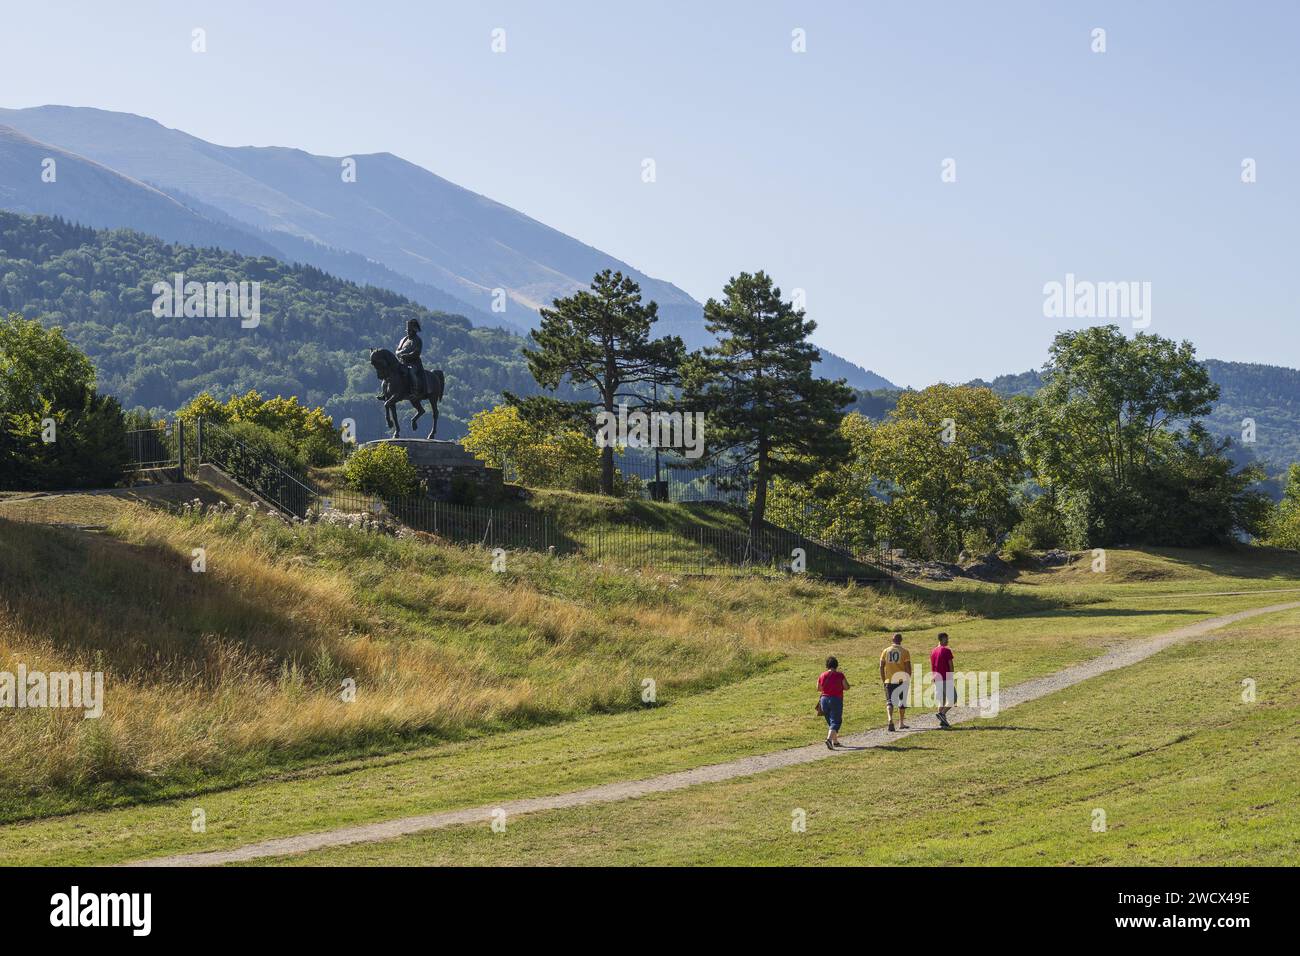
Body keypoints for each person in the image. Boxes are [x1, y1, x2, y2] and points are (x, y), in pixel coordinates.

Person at [879, 633, 912, 731]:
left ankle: (890, 719)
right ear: (901, 640)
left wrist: (883, 679)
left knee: (889, 702)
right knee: (902, 702)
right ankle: (901, 723)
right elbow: (908, 667)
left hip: (889, 680)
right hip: (901, 680)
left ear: (892, 640)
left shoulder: (885, 651)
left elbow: (881, 666)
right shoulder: (905, 651)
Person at [817, 656, 850, 749]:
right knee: (836, 721)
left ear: (827, 665)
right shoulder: (840, 675)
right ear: (836, 665)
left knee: (831, 722)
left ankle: (835, 742)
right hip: (836, 699)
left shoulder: (822, 675)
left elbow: (819, 688)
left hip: (824, 700)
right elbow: (846, 687)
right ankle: (828, 740)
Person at [930, 632, 955, 728]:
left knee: (941, 701)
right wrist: (951, 677)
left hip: (936, 678)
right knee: (953, 699)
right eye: (946, 639)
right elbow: (950, 665)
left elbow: (932, 665)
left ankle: (942, 722)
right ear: (941, 639)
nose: (948, 640)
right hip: (946, 678)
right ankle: (942, 714)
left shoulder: (933, 651)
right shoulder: (946, 650)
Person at [396, 318, 425, 393]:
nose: (408, 332)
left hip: (414, 363)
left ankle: (415, 390)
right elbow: (397, 350)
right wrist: (399, 353)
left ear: (414, 331)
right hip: (402, 362)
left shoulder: (418, 340)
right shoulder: (404, 339)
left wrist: (407, 355)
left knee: (412, 372)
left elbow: (416, 353)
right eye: (408, 331)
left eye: (410, 331)